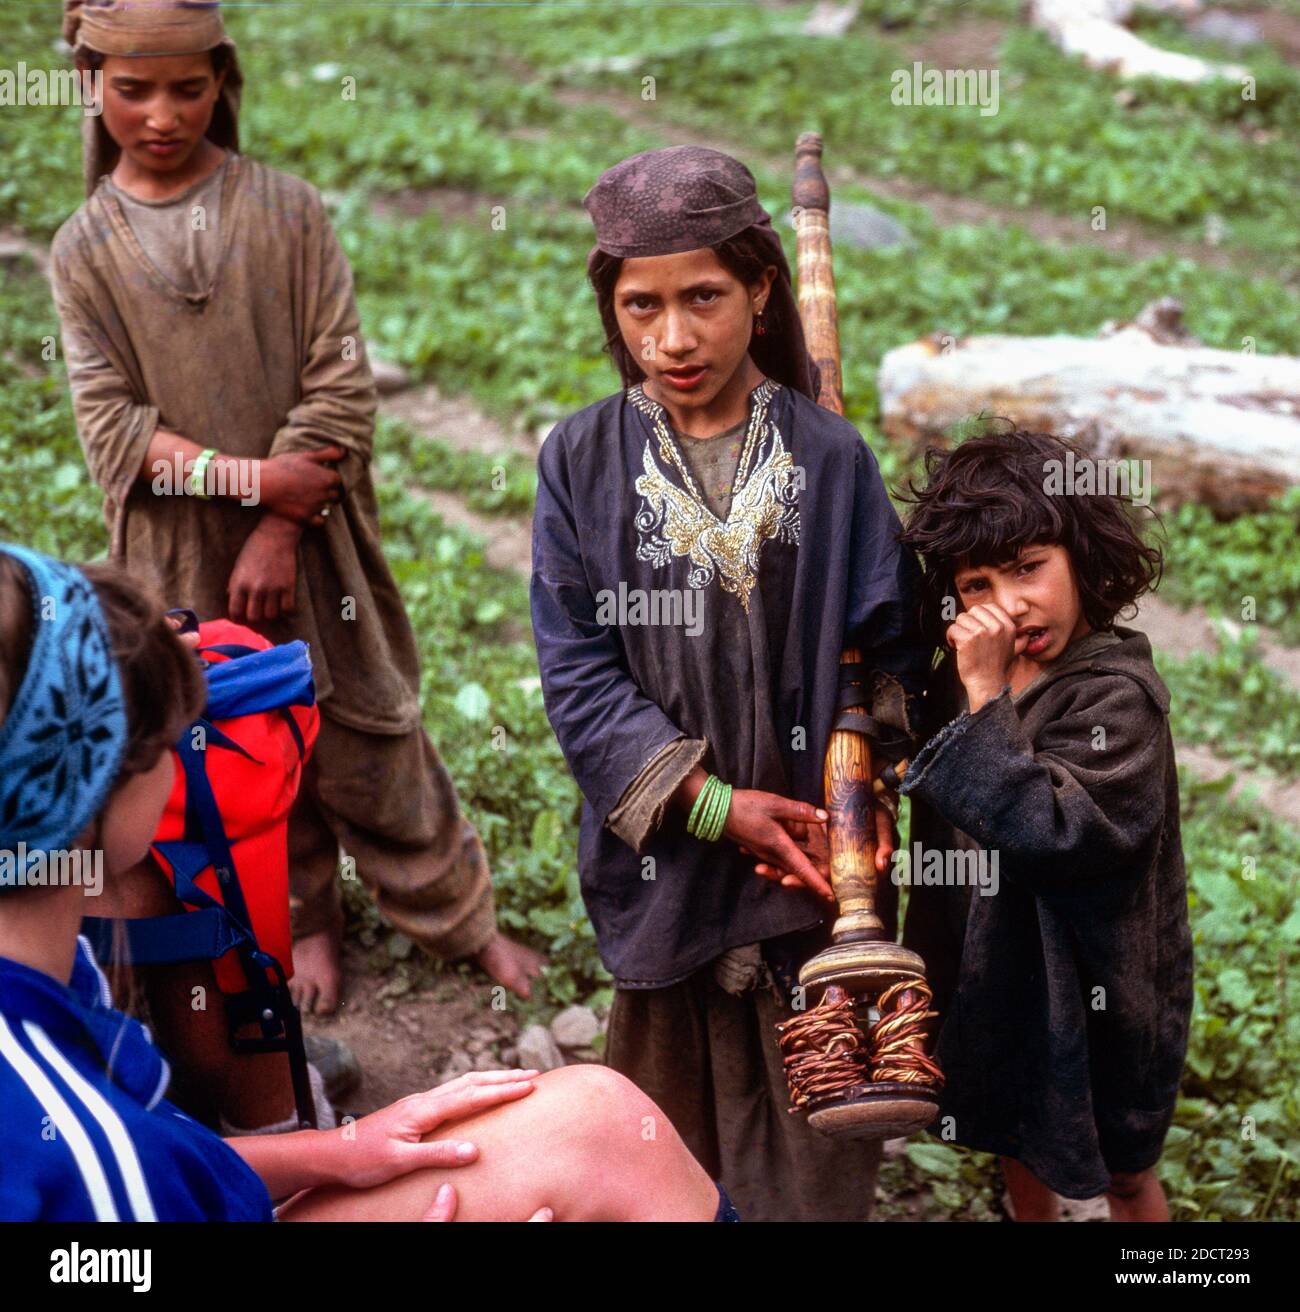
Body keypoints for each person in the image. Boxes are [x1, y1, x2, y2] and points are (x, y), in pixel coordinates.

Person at [49, 0, 542, 1024]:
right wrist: (249, 483)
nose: (160, 113)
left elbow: (341, 388)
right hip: (176, 552)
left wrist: (280, 519)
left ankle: (457, 913)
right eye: (132, 88)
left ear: (223, 80)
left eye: (188, 87)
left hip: (318, 545)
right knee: (235, 730)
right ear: (90, 81)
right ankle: (304, 913)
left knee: (369, 722)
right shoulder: (84, 250)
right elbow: (116, 435)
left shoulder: (286, 210)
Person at [0, 542, 729, 1222]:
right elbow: (130, 1171)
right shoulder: (90, 1164)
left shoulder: (53, 965)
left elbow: (167, 1161)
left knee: (597, 1122)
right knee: (603, 1131)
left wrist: (341, 1150)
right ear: (98, 789)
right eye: (164, 741)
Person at [530, 145, 932, 1221]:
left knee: (816, 1130)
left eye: (703, 297)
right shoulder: (578, 460)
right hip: (666, 864)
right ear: (610, 306)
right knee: (663, 1146)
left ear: (762, 290)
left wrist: (866, 781)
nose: (672, 336)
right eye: (640, 303)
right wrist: (712, 805)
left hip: (814, 865)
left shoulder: (830, 460)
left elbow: (890, 650)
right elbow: (576, 673)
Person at [894, 426, 1194, 1222]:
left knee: (1123, 1165)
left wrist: (991, 701)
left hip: (1105, 986)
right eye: (978, 585)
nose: (1010, 605)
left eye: (1030, 568)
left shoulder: (1116, 697)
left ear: (1083, 557)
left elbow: (1059, 832)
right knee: (1013, 1135)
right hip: (996, 976)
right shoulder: (961, 681)